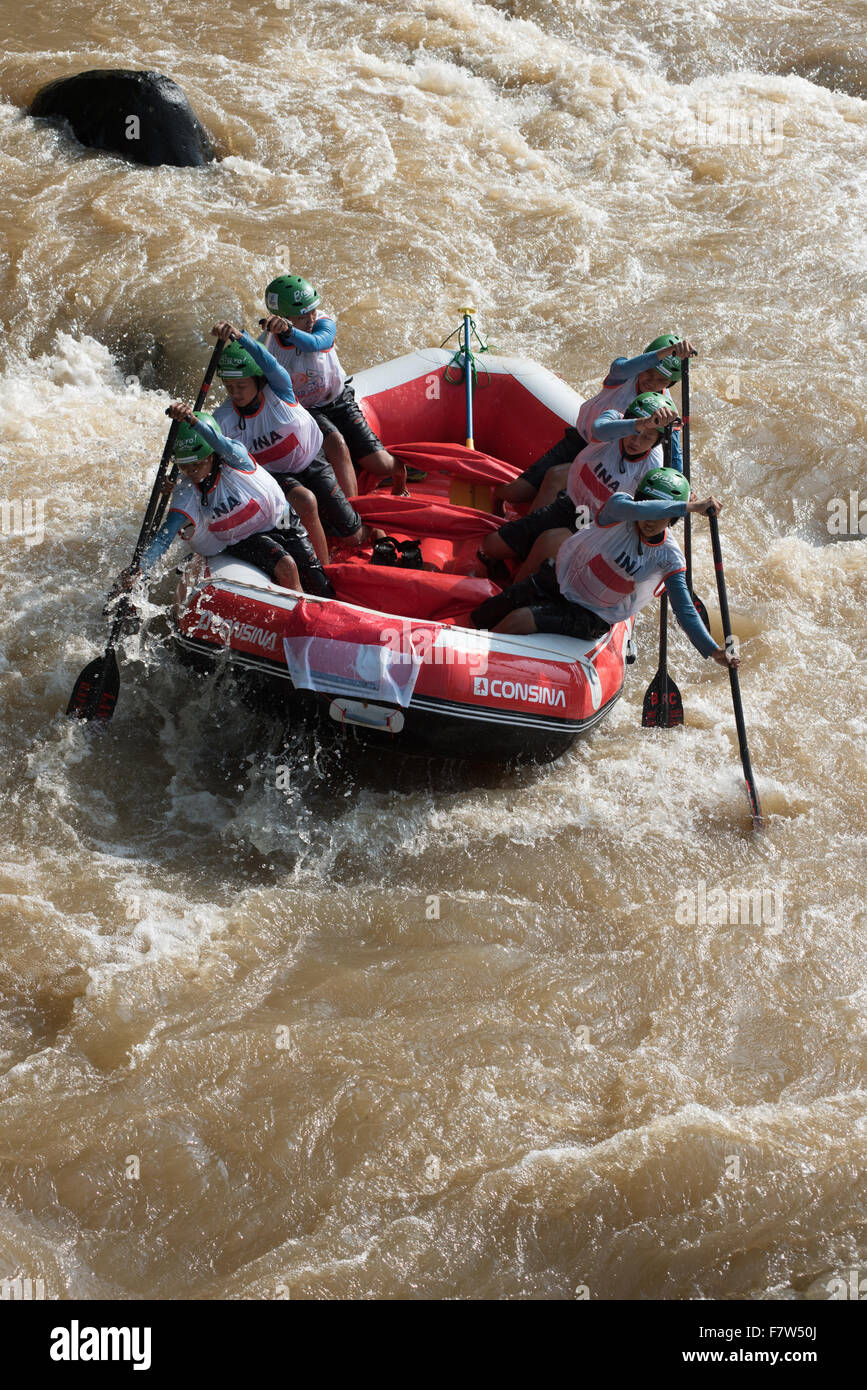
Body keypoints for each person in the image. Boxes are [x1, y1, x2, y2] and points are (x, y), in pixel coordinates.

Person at [471, 466, 740, 675]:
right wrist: (691, 506)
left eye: (659, 516)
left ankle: (476, 668)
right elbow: (634, 508)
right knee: (483, 614)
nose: (649, 520)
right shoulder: (618, 509)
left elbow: (685, 610)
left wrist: (712, 650)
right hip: (558, 579)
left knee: (518, 620)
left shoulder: (670, 558)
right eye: (646, 509)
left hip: (591, 614)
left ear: (672, 519)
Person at [116, 407, 333, 597]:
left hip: (282, 521)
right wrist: (140, 569)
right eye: (185, 467)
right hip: (243, 539)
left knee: (320, 585)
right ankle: (303, 622)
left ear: (212, 456)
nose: (192, 472)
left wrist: (193, 421)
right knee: (287, 566)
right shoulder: (186, 492)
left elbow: (219, 442)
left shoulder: (236, 457)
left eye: (197, 465)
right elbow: (164, 537)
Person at [478, 393, 678, 585]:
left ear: (656, 442)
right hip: (572, 502)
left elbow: (646, 512)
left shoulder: (652, 465)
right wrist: (641, 425)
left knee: (548, 542)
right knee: (491, 546)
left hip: (595, 524)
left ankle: (514, 590)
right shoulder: (613, 421)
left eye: (647, 437)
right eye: (635, 433)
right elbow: (599, 429)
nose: (636, 441)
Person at [210, 322, 366, 565]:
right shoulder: (224, 418)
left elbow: (269, 363)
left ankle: (342, 525)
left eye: (241, 386)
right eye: (229, 388)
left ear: (259, 381)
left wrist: (241, 338)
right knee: (306, 500)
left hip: (311, 462)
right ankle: (324, 569)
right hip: (276, 477)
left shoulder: (279, 388)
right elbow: (209, 457)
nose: (235, 394)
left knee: (354, 537)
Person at [494, 333, 694, 511]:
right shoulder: (623, 373)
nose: (651, 381)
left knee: (556, 479)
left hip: (606, 457)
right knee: (517, 492)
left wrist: (682, 488)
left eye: (661, 381)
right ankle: (499, 497)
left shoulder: (666, 412)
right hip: (581, 440)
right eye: (649, 372)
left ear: (670, 384)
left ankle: (534, 530)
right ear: (644, 363)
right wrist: (666, 352)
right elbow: (624, 367)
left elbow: (673, 454)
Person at [260, 274, 409, 495]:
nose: (311, 318)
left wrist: (290, 331)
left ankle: (400, 482)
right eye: (302, 316)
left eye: (313, 310)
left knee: (384, 465)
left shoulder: (323, 322)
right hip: (308, 411)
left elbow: (317, 343)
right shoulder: (268, 343)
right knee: (337, 443)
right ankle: (354, 512)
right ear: (282, 318)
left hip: (339, 401)